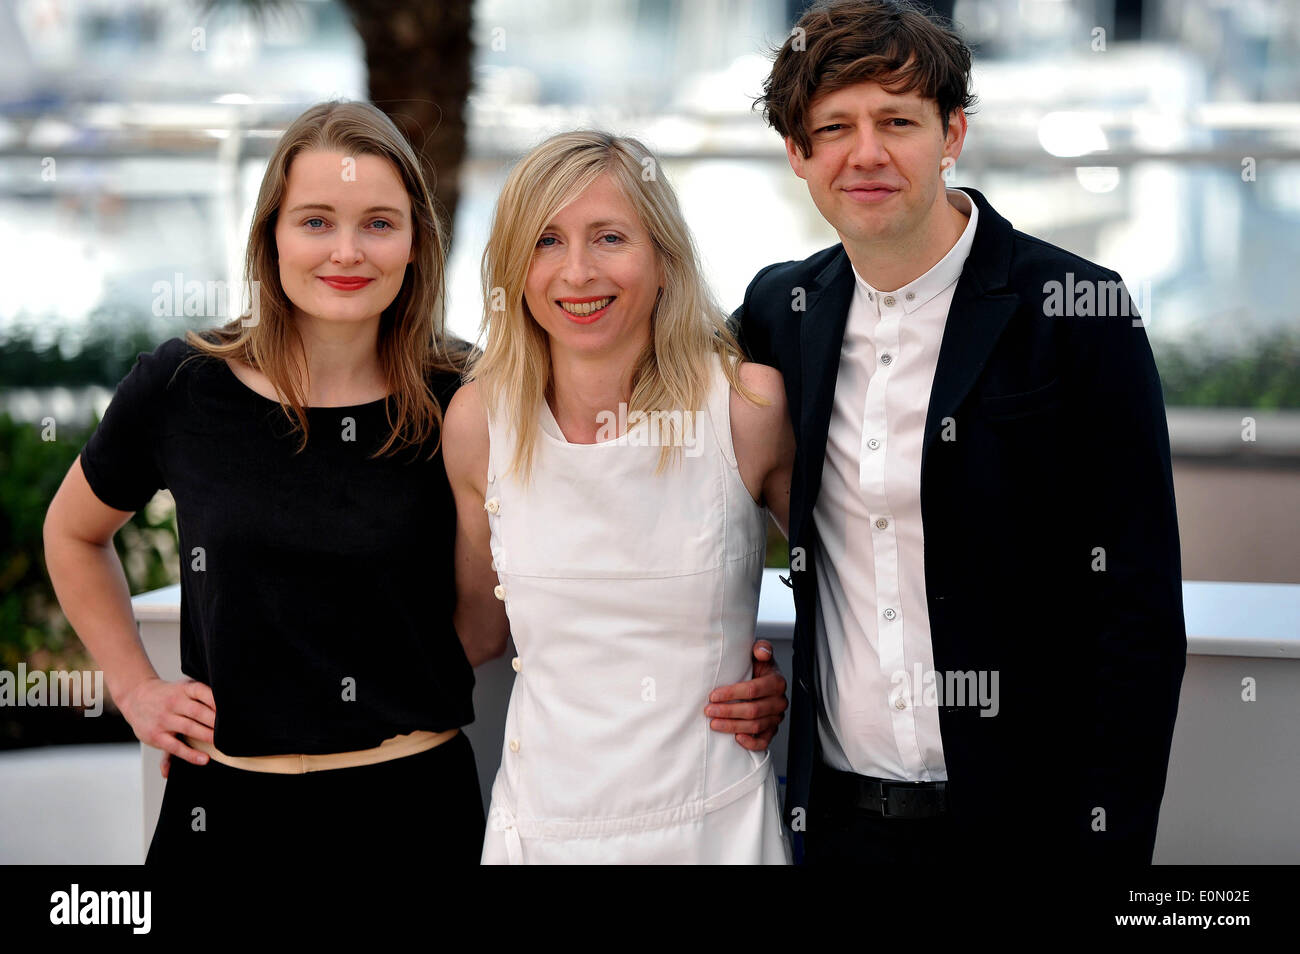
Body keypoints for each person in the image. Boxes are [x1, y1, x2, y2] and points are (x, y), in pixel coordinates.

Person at [733, 0, 1186, 865]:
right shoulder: (779, 312)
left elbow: (1139, 617)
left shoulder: (1077, 310)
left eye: (897, 120)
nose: (866, 153)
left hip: (1030, 829)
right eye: (834, 128)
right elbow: (646, 394)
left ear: (952, 133)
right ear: (798, 154)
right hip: (839, 827)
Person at [42, 101, 487, 866]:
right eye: (315, 221)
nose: (347, 251)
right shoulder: (183, 386)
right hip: (225, 813)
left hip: (414, 812)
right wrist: (136, 688)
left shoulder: (466, 394)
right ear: (270, 237)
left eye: (379, 223)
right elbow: (72, 533)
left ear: (416, 241)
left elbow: (486, 623)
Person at [444, 130, 796, 864]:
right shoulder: (480, 422)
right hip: (538, 831)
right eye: (546, 241)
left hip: (717, 830)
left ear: (664, 259)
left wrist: (785, 685)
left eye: (609, 237)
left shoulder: (743, 408)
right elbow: (478, 632)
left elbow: (852, 590)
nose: (577, 271)